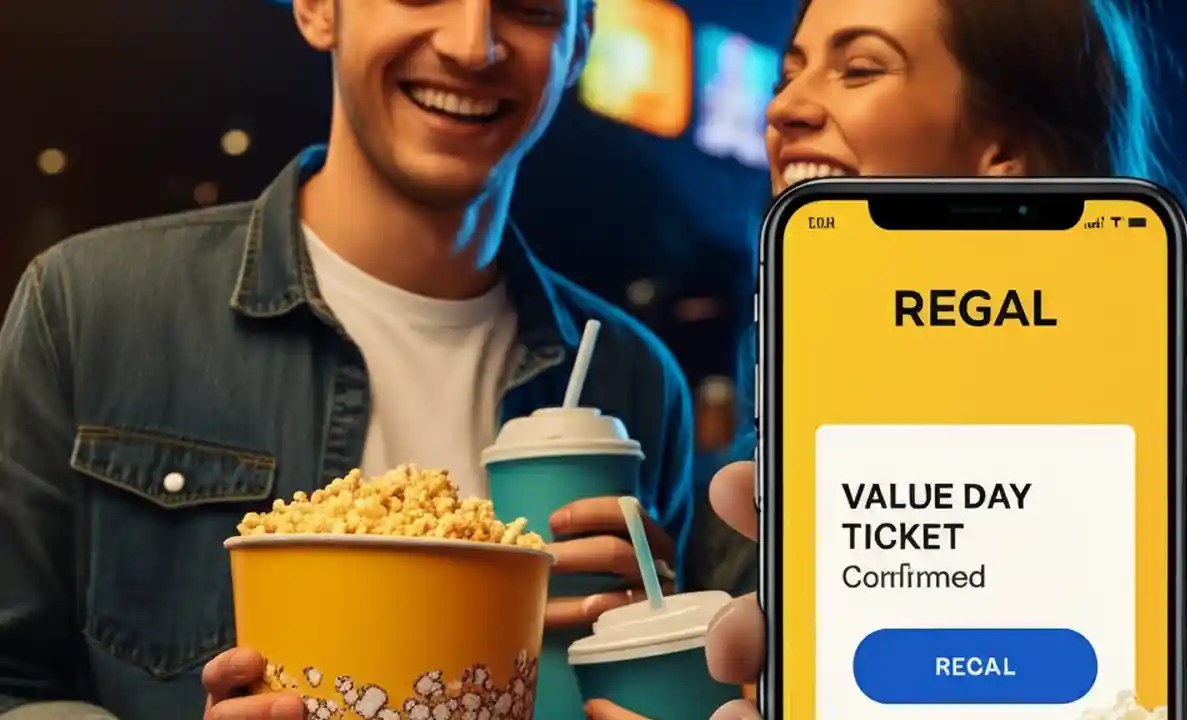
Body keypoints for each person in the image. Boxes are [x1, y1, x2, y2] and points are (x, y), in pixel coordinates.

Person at [0, 0, 698, 718]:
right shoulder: (92, 309)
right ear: (315, 9)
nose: (472, 45)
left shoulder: (634, 381)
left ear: (579, 43)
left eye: (531, 8)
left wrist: (654, 649)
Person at [586, 0, 1187, 718]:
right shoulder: (772, 483)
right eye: (788, 75)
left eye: (859, 69)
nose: (785, 107)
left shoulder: (1181, 499)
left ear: (1003, 155)